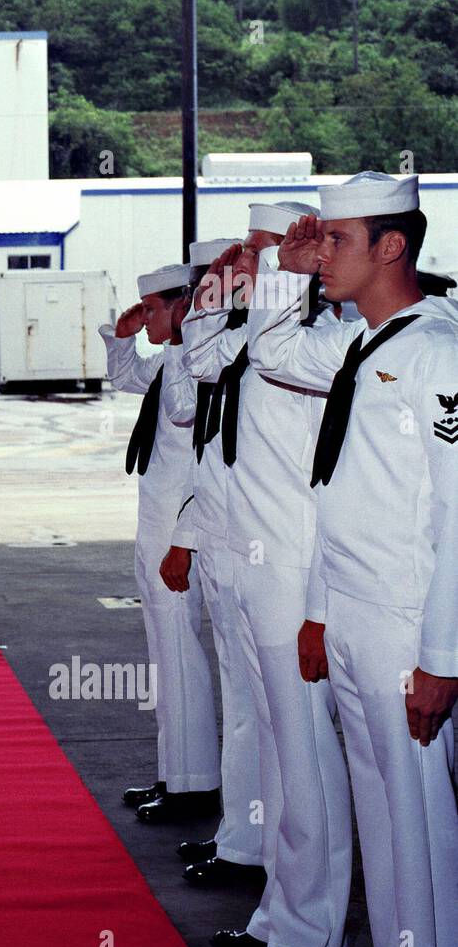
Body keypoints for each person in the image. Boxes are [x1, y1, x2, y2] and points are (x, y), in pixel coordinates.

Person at [250, 171, 458, 947]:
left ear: (392, 248)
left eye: (336, 240)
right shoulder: (368, 344)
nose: (321, 254)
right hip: (355, 624)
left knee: (423, 847)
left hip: (410, 635)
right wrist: (279, 271)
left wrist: (443, 657)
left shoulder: (438, 354)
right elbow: (267, 355)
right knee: (387, 843)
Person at [178, 202, 355, 947]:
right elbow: (201, 374)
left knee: (308, 762)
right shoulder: (259, 329)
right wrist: (217, 295)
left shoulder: (331, 338)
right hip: (249, 562)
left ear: (305, 253)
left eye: (261, 252)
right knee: (283, 755)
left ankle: (312, 941)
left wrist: (280, 278)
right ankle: (280, 917)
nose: (242, 265)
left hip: (297, 568)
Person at [101, 265, 221, 823]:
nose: (145, 314)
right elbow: (126, 379)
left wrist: (181, 542)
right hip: (157, 529)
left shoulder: (199, 363)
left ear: (184, 305)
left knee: (180, 657)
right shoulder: (177, 356)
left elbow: (197, 446)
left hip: (180, 535)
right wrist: (122, 337)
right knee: (164, 657)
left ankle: (194, 785)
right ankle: (175, 772)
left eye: (153, 307)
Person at [161, 237, 263, 888]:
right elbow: (187, 409)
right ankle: (242, 842)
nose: (223, 277)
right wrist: (207, 306)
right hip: (225, 545)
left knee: (281, 727)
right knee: (247, 712)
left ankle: (271, 857)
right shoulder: (231, 334)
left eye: (236, 266)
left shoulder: (283, 339)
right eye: (211, 274)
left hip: (267, 555)